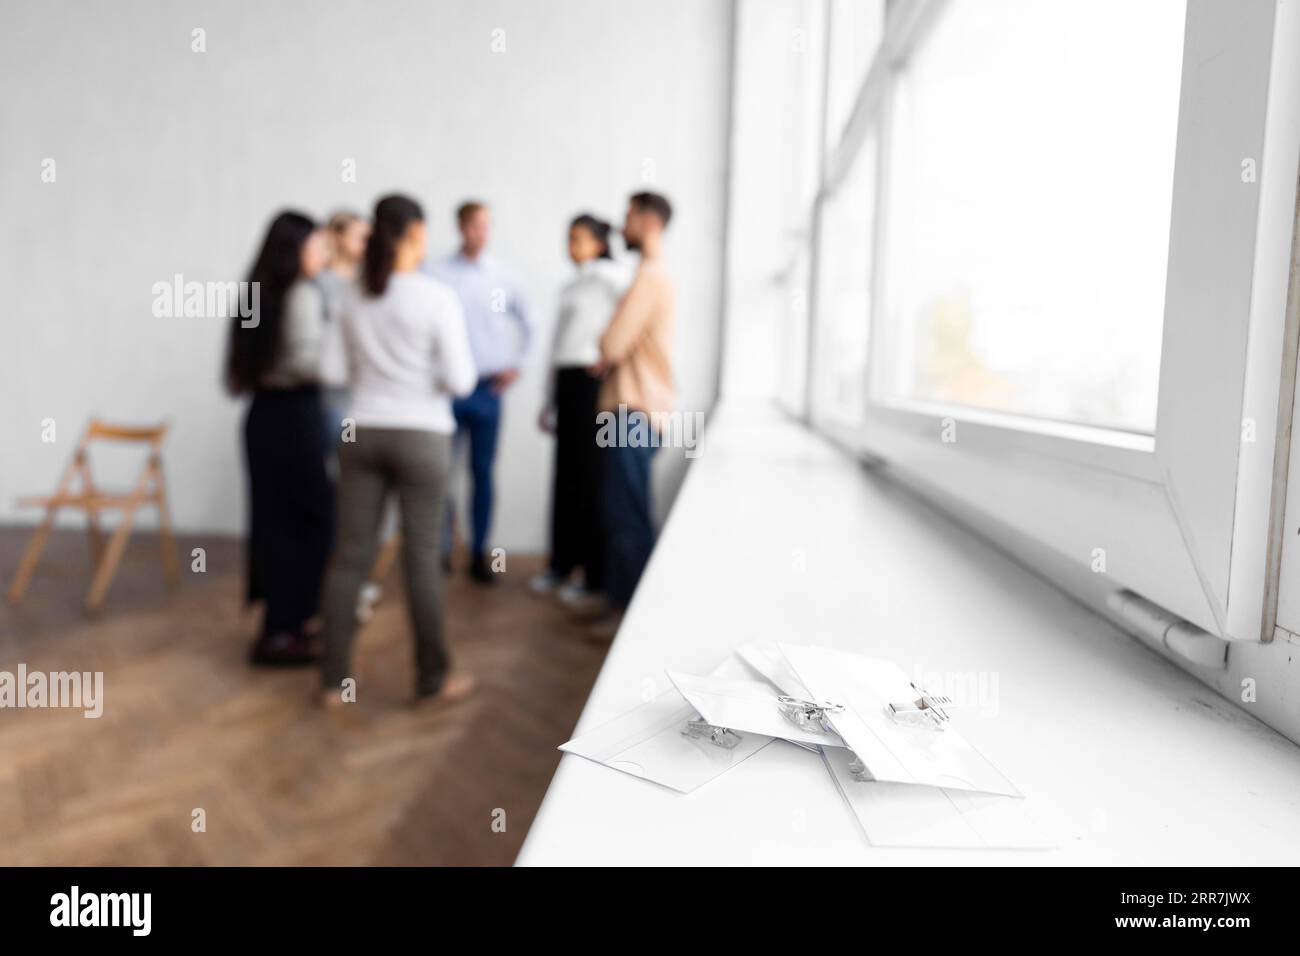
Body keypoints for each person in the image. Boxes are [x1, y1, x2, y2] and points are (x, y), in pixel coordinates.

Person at [318, 194, 479, 709]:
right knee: (422, 559)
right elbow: (460, 380)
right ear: (414, 234)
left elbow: (332, 373)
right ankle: (433, 679)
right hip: (421, 435)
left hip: (360, 432)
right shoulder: (436, 297)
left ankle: (332, 682)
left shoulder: (352, 296)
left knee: (350, 559)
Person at [225, 211, 335, 666]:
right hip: (295, 415)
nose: (323, 254)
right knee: (315, 520)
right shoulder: (303, 293)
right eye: (317, 246)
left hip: (262, 417)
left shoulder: (258, 291)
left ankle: (279, 625)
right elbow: (312, 363)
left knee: (273, 524)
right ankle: (291, 626)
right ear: (297, 250)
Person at [588, 192, 676, 641]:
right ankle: (621, 611)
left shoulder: (649, 276)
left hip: (633, 412)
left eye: (628, 218)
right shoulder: (651, 275)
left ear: (647, 221)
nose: (622, 226)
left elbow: (611, 345)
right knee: (621, 510)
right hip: (632, 410)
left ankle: (631, 623)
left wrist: (606, 342)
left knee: (627, 515)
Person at [430, 201, 532, 584]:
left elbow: (530, 324)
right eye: (474, 226)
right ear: (461, 227)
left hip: (488, 388)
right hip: (448, 390)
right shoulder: (437, 274)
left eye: (486, 226)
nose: (480, 233)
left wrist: (517, 365)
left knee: (483, 472)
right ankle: (442, 548)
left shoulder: (504, 278)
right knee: (441, 471)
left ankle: (479, 551)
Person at [530, 215, 627, 608]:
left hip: (593, 384)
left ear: (600, 241)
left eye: (579, 238)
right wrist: (548, 397)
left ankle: (593, 575)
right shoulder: (571, 284)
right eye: (568, 238)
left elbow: (631, 320)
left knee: (591, 479)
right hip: (567, 383)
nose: (571, 245)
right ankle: (561, 565)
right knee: (565, 478)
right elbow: (556, 344)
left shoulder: (613, 277)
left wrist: (610, 357)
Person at [316, 211, 371, 435]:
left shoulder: (367, 285)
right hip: (331, 393)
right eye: (360, 237)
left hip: (364, 395)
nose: (366, 244)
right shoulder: (319, 282)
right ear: (338, 237)